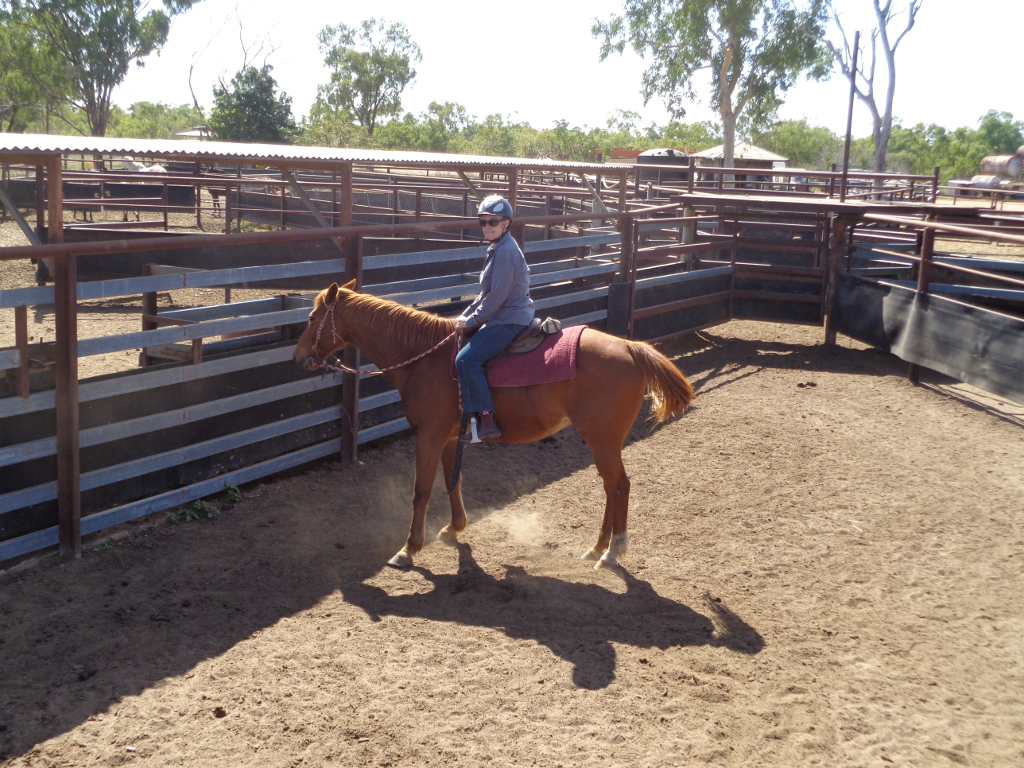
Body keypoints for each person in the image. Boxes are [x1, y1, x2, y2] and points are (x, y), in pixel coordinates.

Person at [454, 194, 535, 440]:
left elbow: (497, 297)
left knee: (465, 361)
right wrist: (465, 315)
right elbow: (485, 294)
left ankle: (487, 421)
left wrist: (472, 321)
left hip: (508, 319)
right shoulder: (498, 248)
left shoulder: (506, 252)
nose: (487, 226)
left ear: (506, 223)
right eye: (483, 222)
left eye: (493, 221)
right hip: (503, 314)